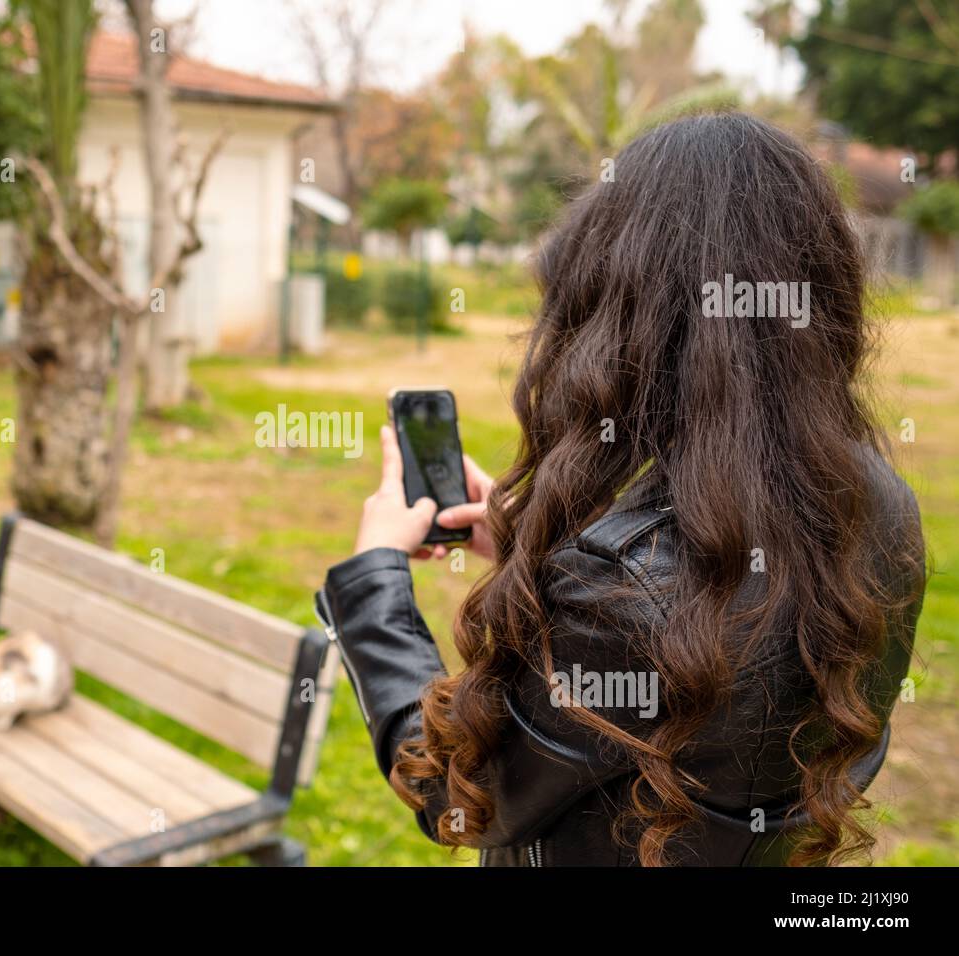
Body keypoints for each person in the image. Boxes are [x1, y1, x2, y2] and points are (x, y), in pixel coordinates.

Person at [318, 112, 927, 866]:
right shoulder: (885, 507)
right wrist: (536, 560)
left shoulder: (622, 598)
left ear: (621, 313)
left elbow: (459, 794)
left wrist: (373, 581)